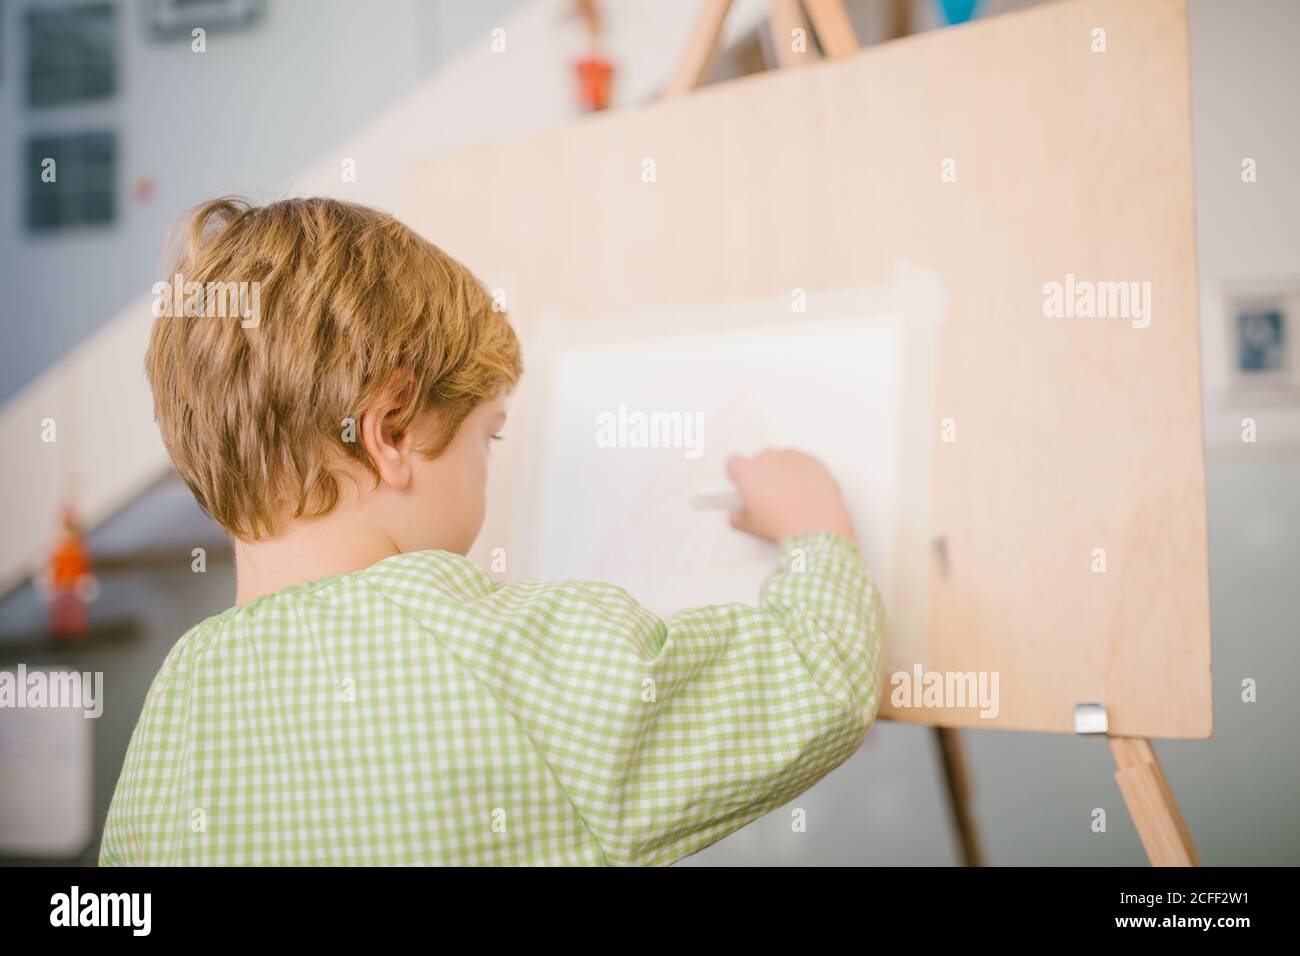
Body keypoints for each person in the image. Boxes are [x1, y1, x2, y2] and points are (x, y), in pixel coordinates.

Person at [100, 197, 882, 865]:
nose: (492, 464)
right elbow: (817, 684)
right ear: (393, 433)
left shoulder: (180, 698)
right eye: (491, 435)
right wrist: (815, 527)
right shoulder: (502, 651)